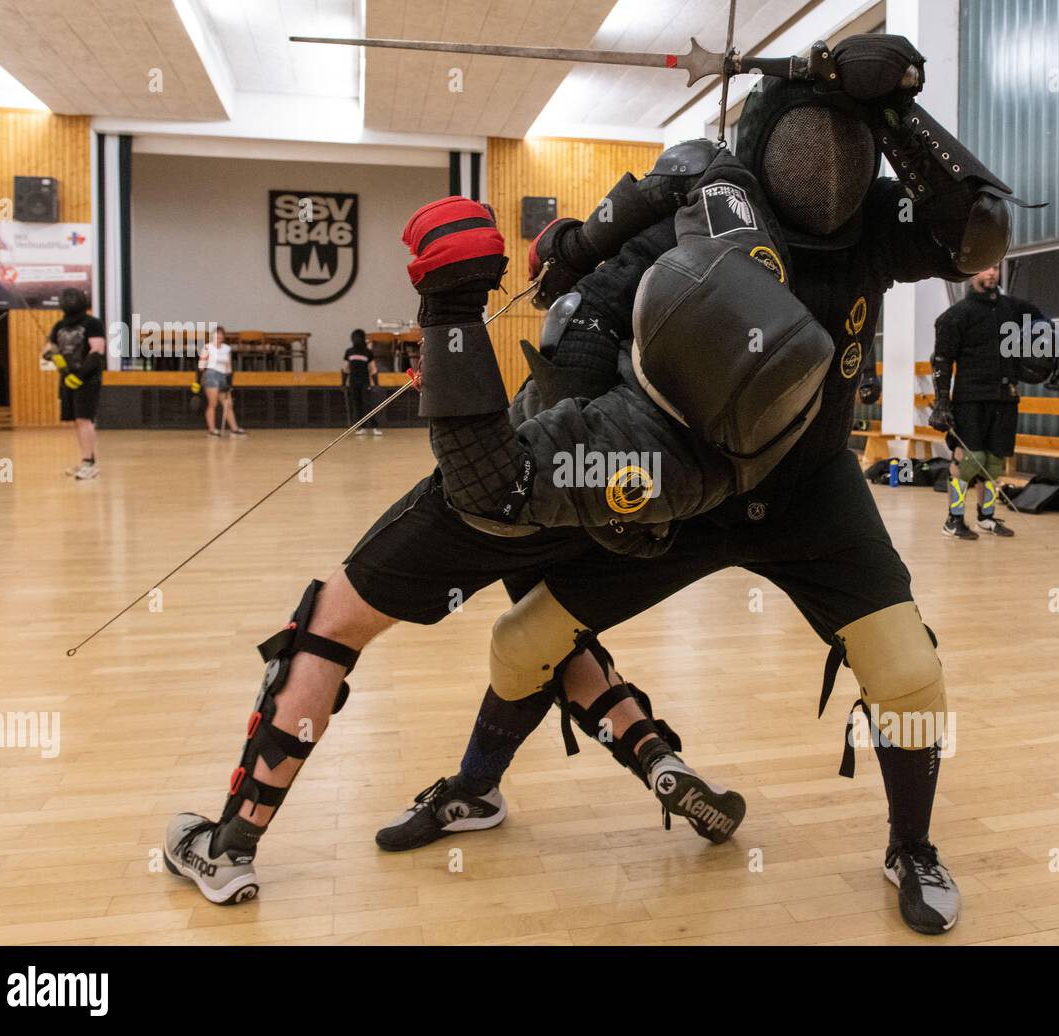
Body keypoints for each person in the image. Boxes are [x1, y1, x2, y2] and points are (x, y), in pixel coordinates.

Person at [166, 34, 1015, 936]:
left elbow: (980, 227)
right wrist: (575, 432)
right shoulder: (692, 210)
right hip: (682, 493)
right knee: (524, 642)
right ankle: (475, 789)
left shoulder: (872, 226)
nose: (831, 172)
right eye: (813, 143)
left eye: (853, 144)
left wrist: (895, 101)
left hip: (809, 490)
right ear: (768, 146)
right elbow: (582, 331)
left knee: (908, 672)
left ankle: (911, 846)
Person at [929, 265, 1059, 539]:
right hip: (970, 399)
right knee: (970, 461)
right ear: (971, 274)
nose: (990, 273)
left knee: (993, 463)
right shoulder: (956, 316)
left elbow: (1046, 324)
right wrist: (942, 402)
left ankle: (986, 516)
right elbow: (941, 361)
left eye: (994, 268)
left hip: (1005, 397)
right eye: (983, 269)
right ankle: (953, 519)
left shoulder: (1013, 309)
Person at [43, 287, 106, 479]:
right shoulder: (59, 325)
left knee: (84, 419)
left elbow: (97, 351)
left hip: (87, 379)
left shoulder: (92, 323)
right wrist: (54, 358)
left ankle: (89, 463)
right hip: (67, 379)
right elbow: (50, 348)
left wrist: (80, 376)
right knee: (76, 420)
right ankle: (87, 460)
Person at [193, 325, 245, 437]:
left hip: (223, 377)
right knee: (213, 403)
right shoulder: (207, 347)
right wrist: (197, 382)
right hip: (211, 375)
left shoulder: (227, 349)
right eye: (217, 334)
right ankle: (212, 430)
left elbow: (229, 366)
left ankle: (234, 429)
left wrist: (229, 382)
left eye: (221, 334)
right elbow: (201, 366)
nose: (219, 336)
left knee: (228, 404)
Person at [343, 329, 382, 436]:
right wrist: (343, 383)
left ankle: (375, 426)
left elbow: (373, 369)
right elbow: (346, 369)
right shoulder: (349, 352)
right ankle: (361, 427)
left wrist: (376, 384)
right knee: (357, 405)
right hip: (353, 382)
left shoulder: (368, 352)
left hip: (365, 382)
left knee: (367, 404)